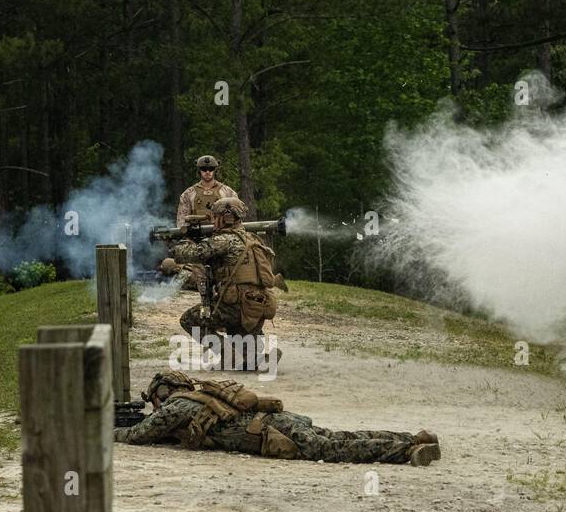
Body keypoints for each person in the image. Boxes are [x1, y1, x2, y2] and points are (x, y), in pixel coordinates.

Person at [114, 371, 442, 466]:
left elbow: (138, 435)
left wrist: (108, 430)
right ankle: (411, 437)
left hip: (268, 434)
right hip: (276, 420)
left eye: (155, 398)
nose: (156, 405)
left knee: (332, 451)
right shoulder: (201, 394)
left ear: (163, 392)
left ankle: (407, 452)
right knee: (338, 436)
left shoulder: (176, 406)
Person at [166, 197, 281, 361]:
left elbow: (186, 254)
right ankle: (250, 357)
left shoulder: (224, 240)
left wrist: (185, 238)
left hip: (235, 308)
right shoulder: (253, 239)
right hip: (257, 306)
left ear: (225, 218)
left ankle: (229, 355)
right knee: (247, 359)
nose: (213, 221)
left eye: (215, 216)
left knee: (189, 319)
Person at [176, 155, 239, 226]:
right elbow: (182, 221)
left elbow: (237, 217)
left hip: (223, 233)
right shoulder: (189, 193)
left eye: (211, 169)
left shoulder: (227, 192)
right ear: (199, 170)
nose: (207, 172)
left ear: (215, 170)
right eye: (204, 169)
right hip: (196, 234)